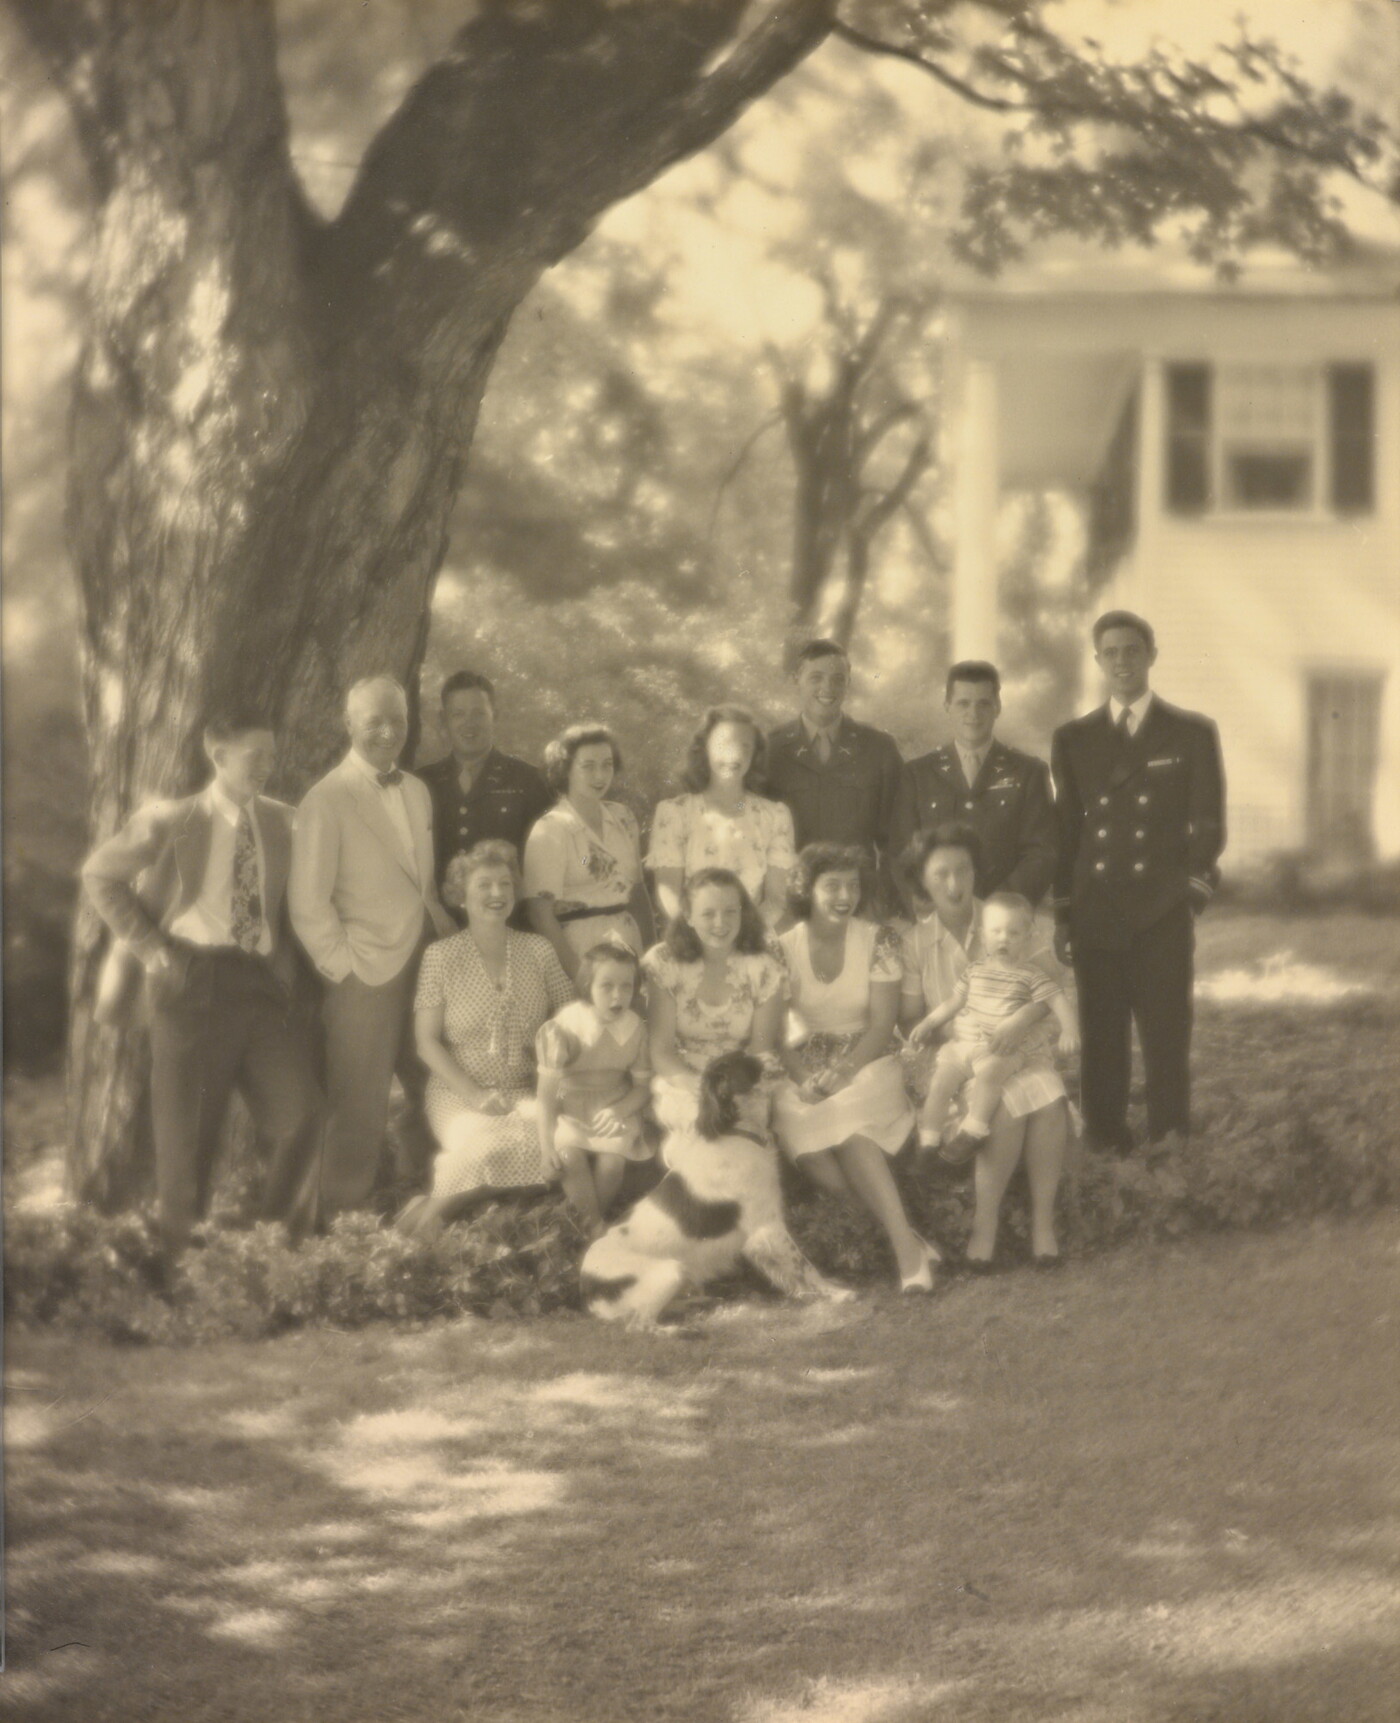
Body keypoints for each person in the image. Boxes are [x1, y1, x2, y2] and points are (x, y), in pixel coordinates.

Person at [82, 705, 323, 1261]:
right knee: (187, 1144)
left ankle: (273, 1257)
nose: (267, 764)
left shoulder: (284, 821)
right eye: (254, 755)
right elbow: (100, 874)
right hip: (189, 983)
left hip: (261, 988)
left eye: (270, 753)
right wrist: (148, 946)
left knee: (302, 1113)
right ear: (219, 756)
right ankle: (181, 1274)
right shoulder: (171, 820)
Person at [1051, 611, 1226, 1157]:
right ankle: (1104, 1144)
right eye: (1111, 652)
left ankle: (1169, 1148)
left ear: (1152, 655)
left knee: (1165, 1037)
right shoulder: (1074, 737)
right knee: (1101, 1040)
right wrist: (1063, 910)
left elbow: (1209, 819)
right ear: (1098, 660)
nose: (1122, 661)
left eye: (1133, 650)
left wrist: (1191, 891)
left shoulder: (1191, 732)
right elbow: (1068, 832)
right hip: (1096, 910)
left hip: (1161, 910)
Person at [289, 675, 455, 1215]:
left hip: (425, 960)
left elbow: (419, 882)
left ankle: (427, 1201)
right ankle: (342, 1225)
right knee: (358, 1104)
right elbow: (308, 903)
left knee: (435, 1083)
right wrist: (346, 968)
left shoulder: (417, 790)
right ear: (349, 725)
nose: (388, 732)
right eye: (374, 722)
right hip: (364, 971)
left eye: (398, 721)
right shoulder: (327, 798)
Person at [898, 824, 1072, 1270]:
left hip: (1019, 1049)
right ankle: (986, 1224)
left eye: (964, 871)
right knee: (1010, 1103)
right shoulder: (914, 941)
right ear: (922, 880)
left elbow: (1050, 998)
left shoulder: (1010, 921)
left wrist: (1019, 1024)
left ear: (977, 873)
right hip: (957, 1056)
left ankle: (1042, 1225)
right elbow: (916, 1021)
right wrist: (966, 1036)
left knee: (1049, 1100)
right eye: (941, 874)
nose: (954, 885)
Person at [771, 844, 935, 1293]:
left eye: (853, 885)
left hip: (868, 1061)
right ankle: (905, 1236)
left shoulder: (879, 939)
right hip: (804, 1067)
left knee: (849, 1126)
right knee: (804, 1133)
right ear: (808, 889)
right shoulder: (781, 947)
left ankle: (904, 1253)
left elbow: (883, 1025)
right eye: (833, 885)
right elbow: (779, 1029)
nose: (846, 895)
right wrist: (804, 1077)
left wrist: (844, 1071)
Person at [395, 842, 576, 1238]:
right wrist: (475, 1095)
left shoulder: (538, 950)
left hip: (523, 1089)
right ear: (461, 895)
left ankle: (436, 1204)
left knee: (559, 1147)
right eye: (484, 885)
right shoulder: (442, 956)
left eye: (505, 884)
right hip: (457, 1093)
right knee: (480, 1144)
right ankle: (431, 1220)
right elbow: (426, 1042)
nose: (497, 894)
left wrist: (555, 1063)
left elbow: (570, 1015)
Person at [910, 892, 1078, 1162]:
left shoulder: (1031, 975)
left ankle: (973, 1131)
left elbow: (1057, 998)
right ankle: (928, 1143)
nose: (1004, 939)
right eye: (996, 931)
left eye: (1013, 933)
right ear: (983, 935)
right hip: (966, 1044)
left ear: (1028, 936)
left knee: (990, 1075)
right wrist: (929, 1022)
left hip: (1001, 1048)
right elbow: (954, 1002)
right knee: (941, 1080)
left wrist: (1070, 1030)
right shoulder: (974, 970)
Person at [892, 661, 1055, 905]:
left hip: (1004, 919)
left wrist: (1000, 905)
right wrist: (931, 905)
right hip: (937, 914)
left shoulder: (1029, 772)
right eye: (963, 703)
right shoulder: (917, 774)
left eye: (984, 704)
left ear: (997, 707)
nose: (974, 714)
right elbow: (903, 852)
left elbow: (1041, 853)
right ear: (947, 707)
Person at [642, 869, 786, 1137]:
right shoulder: (664, 963)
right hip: (682, 1076)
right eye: (708, 913)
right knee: (699, 1122)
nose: (721, 922)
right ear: (688, 916)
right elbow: (661, 1050)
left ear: (743, 913)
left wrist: (730, 1091)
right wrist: (701, 1089)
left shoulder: (764, 966)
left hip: (745, 1076)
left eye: (731, 911)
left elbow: (760, 1047)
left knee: (742, 1129)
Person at [765, 639, 903, 914]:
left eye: (838, 679)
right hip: (790, 903)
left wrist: (885, 899)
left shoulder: (878, 749)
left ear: (848, 683)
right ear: (796, 679)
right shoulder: (771, 750)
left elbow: (898, 836)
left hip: (857, 900)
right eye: (816, 677)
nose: (827, 688)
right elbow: (747, 811)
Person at [535, 939, 653, 1237]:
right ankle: (596, 1226)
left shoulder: (635, 1028)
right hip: (570, 1104)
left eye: (627, 986)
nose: (618, 995)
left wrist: (620, 1109)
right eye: (607, 986)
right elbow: (546, 1095)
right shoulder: (566, 1026)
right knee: (569, 1156)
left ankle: (589, 1224)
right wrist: (546, 1146)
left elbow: (642, 1087)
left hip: (614, 1103)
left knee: (613, 1162)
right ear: (588, 985)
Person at [646, 705, 796, 928]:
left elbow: (775, 899)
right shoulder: (675, 813)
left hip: (752, 941)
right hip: (692, 940)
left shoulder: (774, 816)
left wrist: (744, 938)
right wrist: (702, 937)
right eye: (724, 744)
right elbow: (669, 893)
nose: (735, 754)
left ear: (755, 755)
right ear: (704, 749)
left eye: (745, 746)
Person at [523, 723, 651, 979]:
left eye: (607, 764)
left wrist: (650, 959)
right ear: (565, 770)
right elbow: (540, 914)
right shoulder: (551, 829)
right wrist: (580, 973)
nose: (600, 775)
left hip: (628, 946)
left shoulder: (623, 818)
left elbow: (637, 892)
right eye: (588, 766)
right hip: (578, 952)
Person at [416, 670, 552, 910]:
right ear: (443, 719)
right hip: (440, 927)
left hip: (511, 923)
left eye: (479, 713)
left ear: (495, 716)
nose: (469, 724)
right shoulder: (422, 783)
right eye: (458, 714)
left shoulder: (530, 781)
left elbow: (553, 858)